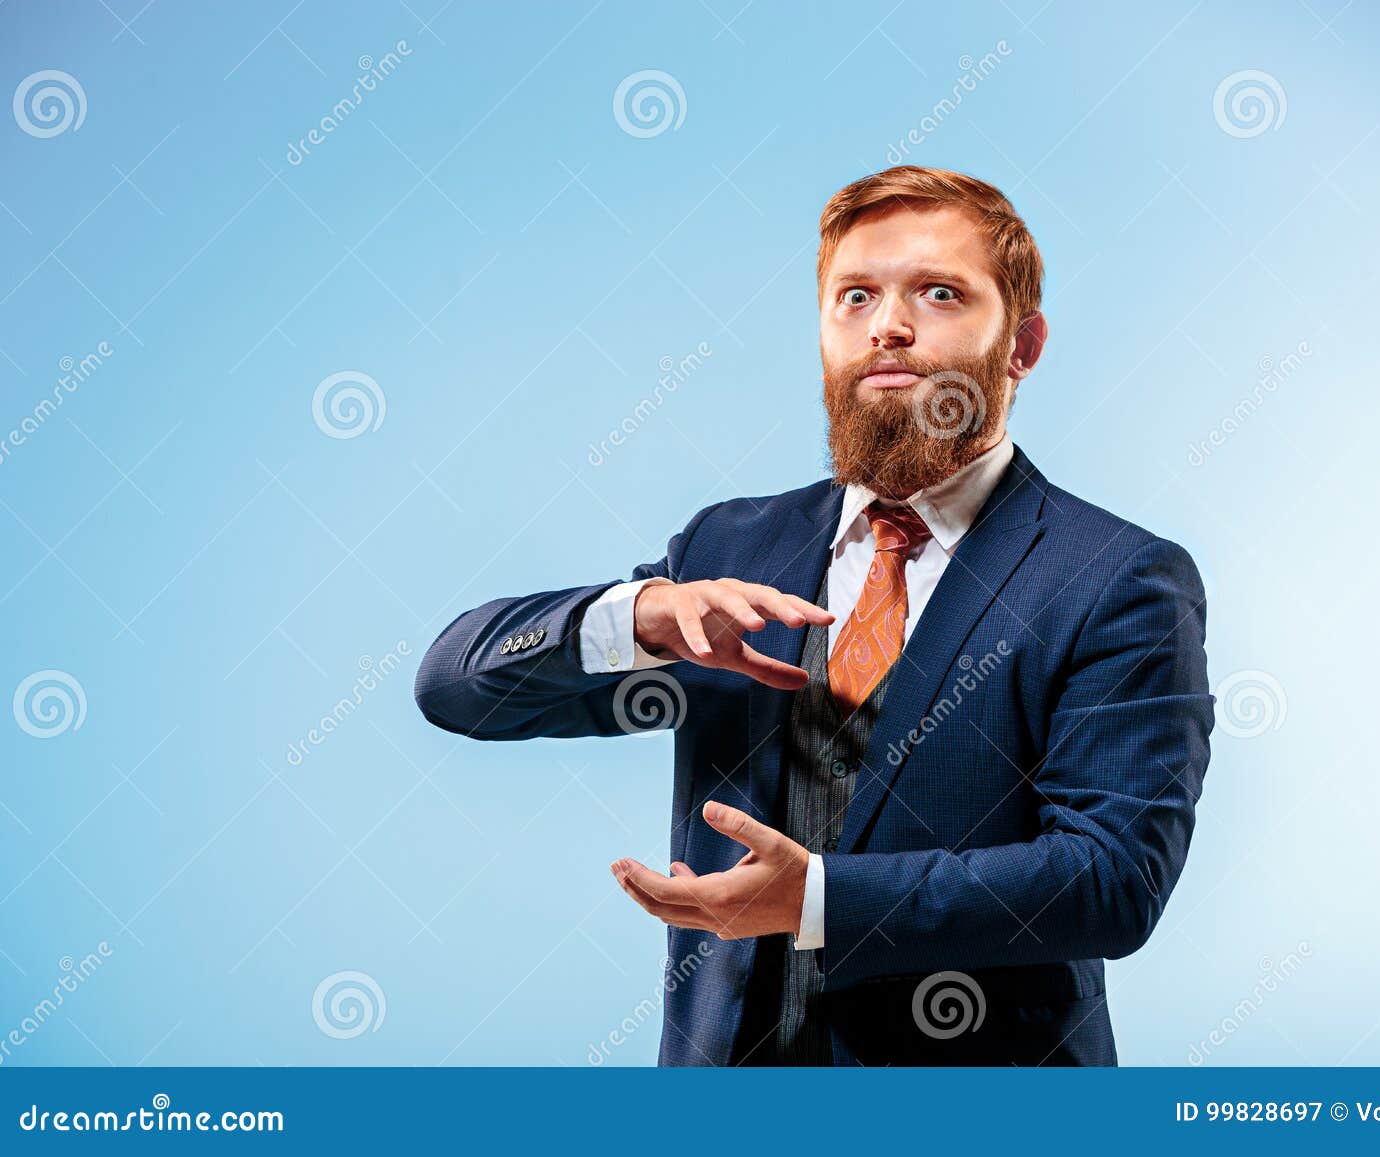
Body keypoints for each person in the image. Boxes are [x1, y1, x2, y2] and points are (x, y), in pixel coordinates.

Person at [414, 165, 1214, 1066]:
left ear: (1021, 345)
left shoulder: (1116, 577)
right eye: (855, 296)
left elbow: (1112, 878)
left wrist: (821, 899)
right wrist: (643, 617)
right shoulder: (729, 549)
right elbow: (455, 687)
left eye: (939, 293)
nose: (888, 326)